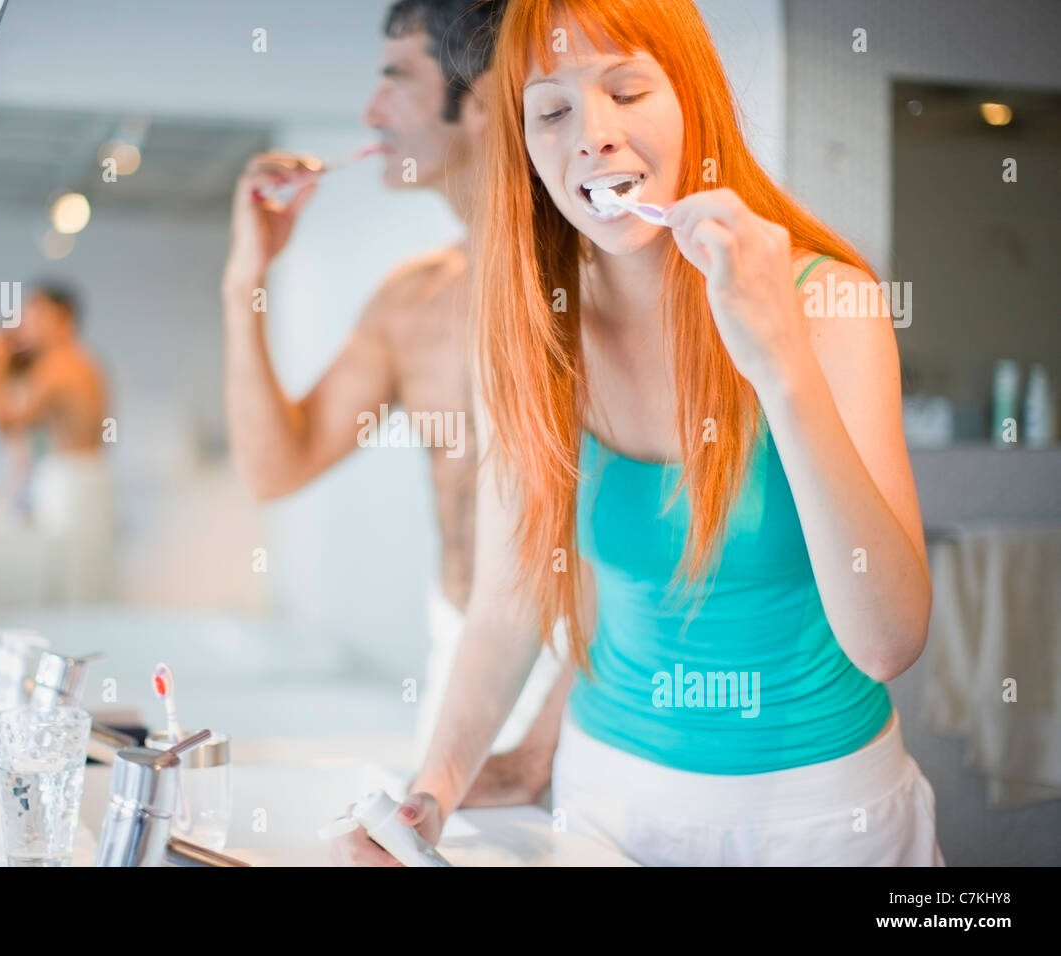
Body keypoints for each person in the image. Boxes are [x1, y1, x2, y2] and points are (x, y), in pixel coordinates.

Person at [333, 0, 945, 866]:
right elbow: (507, 604)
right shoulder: (529, 330)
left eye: (626, 91)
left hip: (825, 818)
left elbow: (888, 644)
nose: (594, 135)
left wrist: (781, 366)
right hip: (605, 809)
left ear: (692, 98)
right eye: (553, 111)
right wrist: (430, 798)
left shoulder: (830, 302)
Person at [221, 0, 570, 789]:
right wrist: (245, 280)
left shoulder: (585, 282)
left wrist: (544, 742)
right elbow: (275, 469)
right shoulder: (412, 298)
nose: (371, 113)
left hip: (582, 675)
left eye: (397, 80)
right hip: (462, 656)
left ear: (480, 100)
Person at [0, 283, 117, 603]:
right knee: (84, 586)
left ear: (64, 318)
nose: (27, 323)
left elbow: (4, 425)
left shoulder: (59, 366)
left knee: (72, 592)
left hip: (73, 486)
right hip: (85, 482)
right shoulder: (83, 361)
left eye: (37, 313)